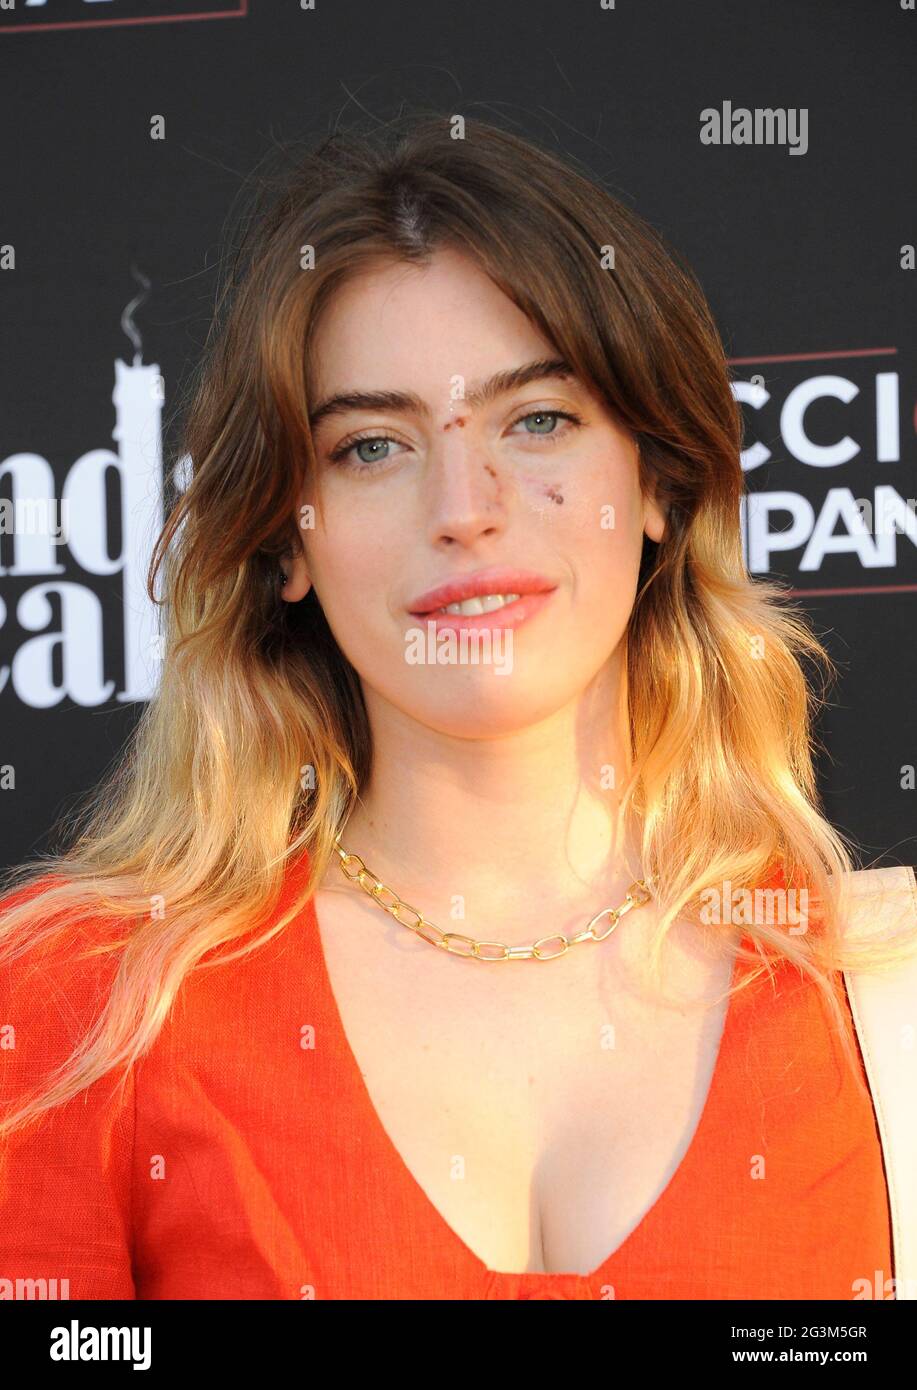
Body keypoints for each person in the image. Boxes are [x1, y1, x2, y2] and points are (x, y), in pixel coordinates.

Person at [1, 114, 915, 1302]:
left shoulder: (877, 992)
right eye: (373, 446)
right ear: (287, 538)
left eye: (535, 419)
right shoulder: (79, 1006)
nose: (465, 506)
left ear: (654, 481)